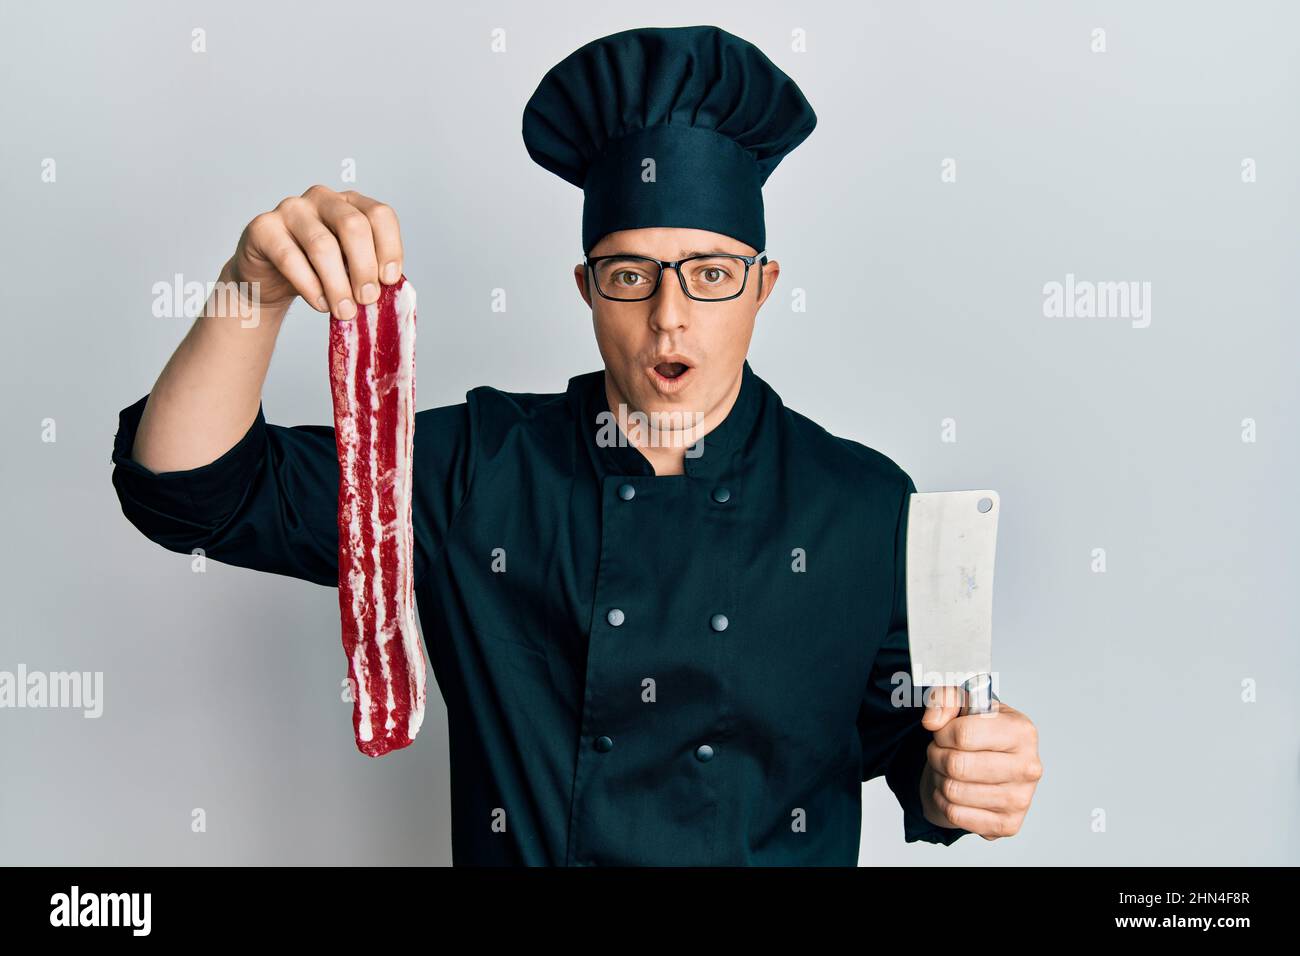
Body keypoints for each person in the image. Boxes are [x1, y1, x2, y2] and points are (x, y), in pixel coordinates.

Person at [110, 25, 1041, 866]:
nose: (668, 318)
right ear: (586, 287)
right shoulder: (476, 470)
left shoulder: (867, 505)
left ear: (763, 287)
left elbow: (913, 746)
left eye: (712, 275)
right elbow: (191, 494)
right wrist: (252, 288)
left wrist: (963, 774)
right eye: (630, 274)